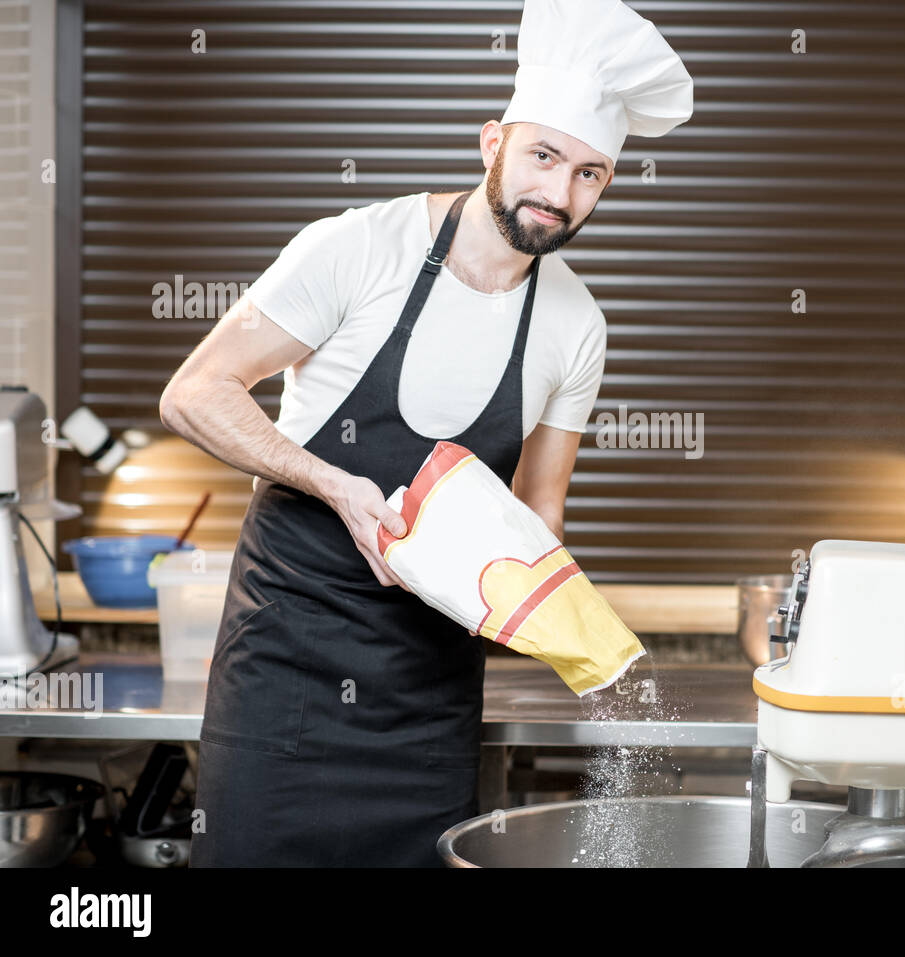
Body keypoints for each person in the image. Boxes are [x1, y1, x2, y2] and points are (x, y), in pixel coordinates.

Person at [159, 0, 692, 866]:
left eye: (590, 173)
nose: (558, 195)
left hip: (429, 697)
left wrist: (570, 628)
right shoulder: (359, 247)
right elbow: (194, 393)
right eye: (544, 156)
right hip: (287, 673)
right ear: (493, 143)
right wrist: (336, 485)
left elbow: (541, 512)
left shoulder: (576, 324)